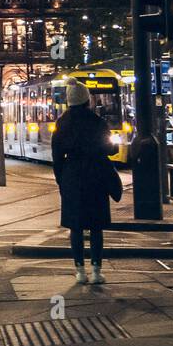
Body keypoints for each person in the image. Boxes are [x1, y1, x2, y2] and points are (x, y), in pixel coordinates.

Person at [52, 81, 120, 285]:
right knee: (96, 226)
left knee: (76, 227)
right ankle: (97, 271)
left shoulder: (62, 124)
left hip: (72, 176)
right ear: (86, 100)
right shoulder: (98, 122)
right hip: (96, 175)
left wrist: (62, 181)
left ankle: (79, 271)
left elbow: (57, 158)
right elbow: (111, 149)